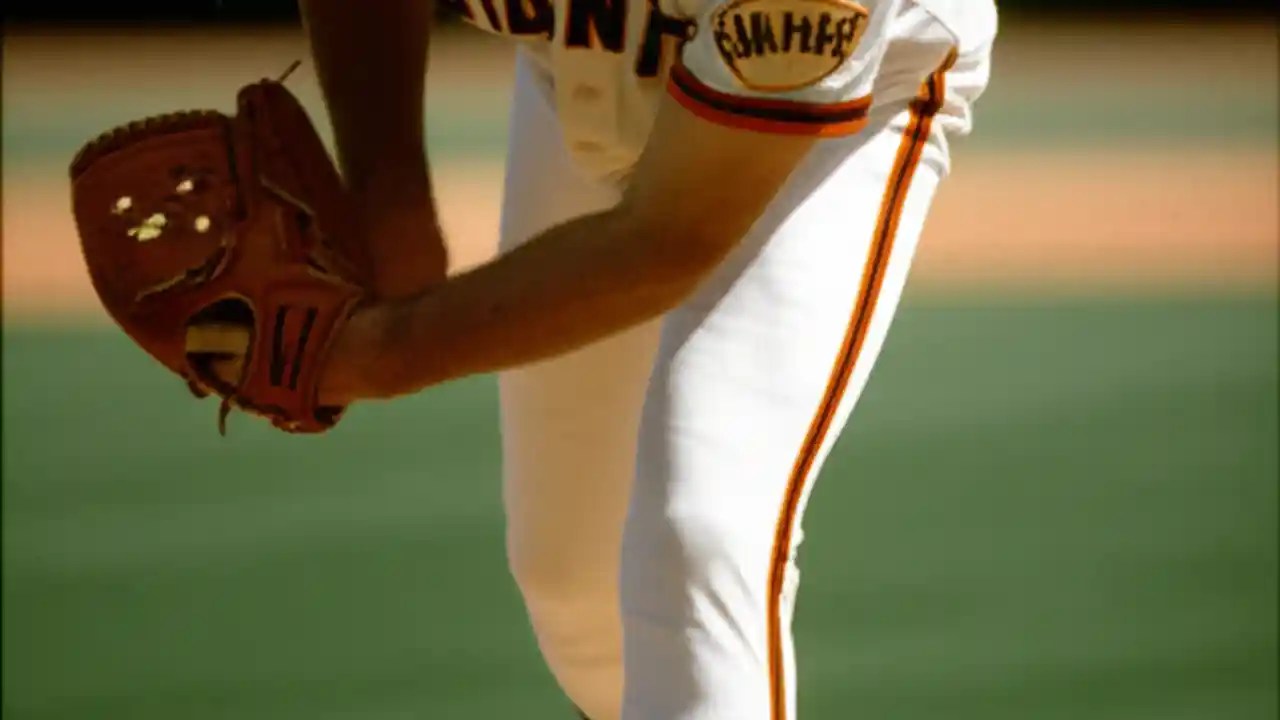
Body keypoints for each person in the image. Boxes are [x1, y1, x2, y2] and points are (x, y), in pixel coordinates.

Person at [301, 0, 997, 717]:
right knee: (575, 592)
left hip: (841, 108)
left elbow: (672, 239)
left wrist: (376, 353)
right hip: (581, 66)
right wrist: (389, 196)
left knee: (701, 528)